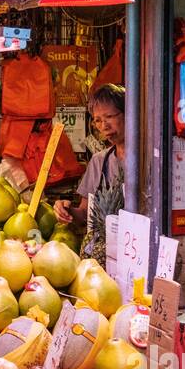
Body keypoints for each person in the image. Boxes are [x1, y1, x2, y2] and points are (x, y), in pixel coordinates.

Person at [54, 84, 126, 262]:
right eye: (98, 120)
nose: (104, 126)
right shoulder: (99, 161)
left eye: (109, 117)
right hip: (103, 252)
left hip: (133, 250)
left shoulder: (147, 160)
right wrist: (67, 210)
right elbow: (84, 214)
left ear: (129, 114)